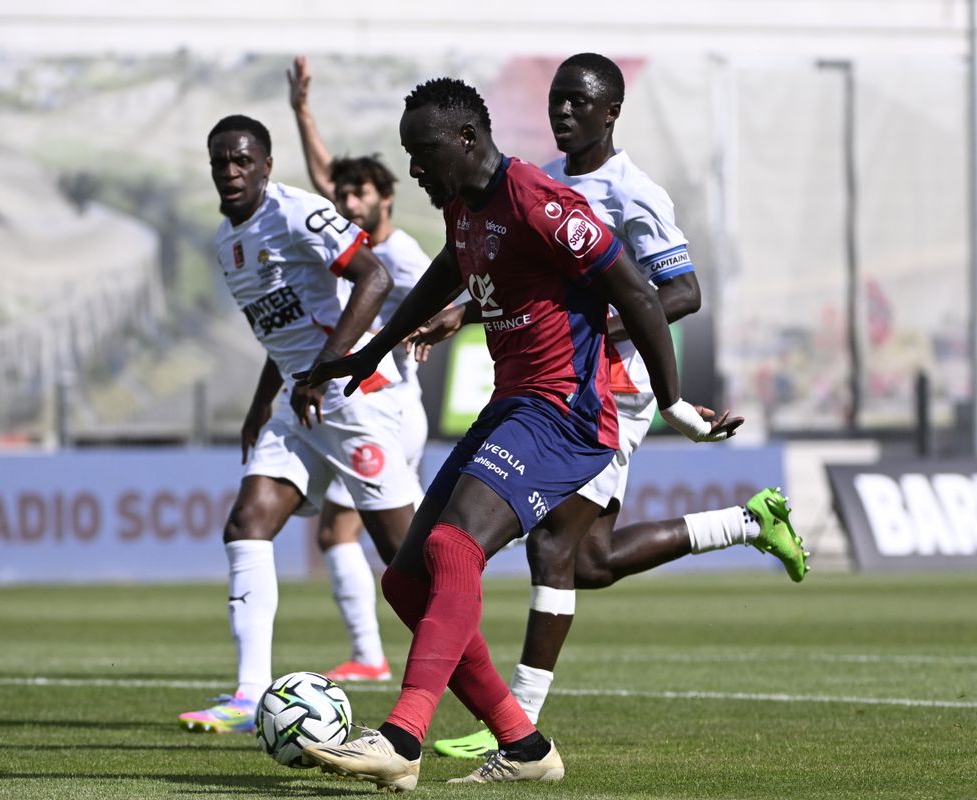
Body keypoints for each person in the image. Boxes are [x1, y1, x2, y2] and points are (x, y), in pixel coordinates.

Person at [295, 78, 740, 790]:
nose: (413, 170)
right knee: (407, 583)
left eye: (423, 152)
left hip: (565, 411)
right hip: (515, 404)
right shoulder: (468, 207)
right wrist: (375, 349)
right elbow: (450, 269)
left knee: (453, 544)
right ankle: (525, 747)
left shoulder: (540, 200)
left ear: (466, 140)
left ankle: (403, 736)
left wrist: (673, 403)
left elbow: (641, 294)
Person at [420, 53, 810, 759]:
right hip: (562, 378)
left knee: (550, 549)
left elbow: (681, 292)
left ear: (611, 112)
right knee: (588, 558)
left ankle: (510, 725)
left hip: (609, 386)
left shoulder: (635, 192)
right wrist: (460, 314)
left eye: (579, 101)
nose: (563, 112)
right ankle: (746, 522)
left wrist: (608, 332)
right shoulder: (539, 183)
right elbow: (533, 289)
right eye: (556, 100)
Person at [177, 115, 420, 734]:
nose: (230, 172)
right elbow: (280, 329)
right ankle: (249, 696)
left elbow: (375, 277)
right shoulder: (226, 241)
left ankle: (489, 702)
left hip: (353, 394)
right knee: (247, 522)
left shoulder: (297, 213)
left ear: (265, 164)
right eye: (220, 162)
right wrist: (265, 401)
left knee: (408, 558)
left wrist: (321, 370)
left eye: (242, 161)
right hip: (301, 396)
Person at [288, 55, 432, 682]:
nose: (345, 201)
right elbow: (324, 175)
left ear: (386, 198)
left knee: (364, 541)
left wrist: (432, 326)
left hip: (387, 403)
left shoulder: (397, 255)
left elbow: (450, 300)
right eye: (341, 194)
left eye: (358, 194)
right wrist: (301, 111)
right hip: (373, 401)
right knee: (354, 537)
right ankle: (384, 652)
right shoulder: (353, 242)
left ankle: (388, 655)